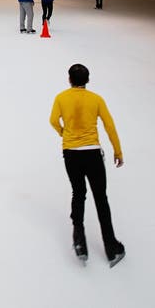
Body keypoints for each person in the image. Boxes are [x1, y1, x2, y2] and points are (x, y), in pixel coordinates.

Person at [49, 63, 125, 267]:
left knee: (78, 193)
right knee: (101, 198)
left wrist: (63, 133)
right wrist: (117, 150)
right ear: (88, 80)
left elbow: (53, 120)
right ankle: (111, 247)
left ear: (69, 79)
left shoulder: (61, 98)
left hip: (71, 153)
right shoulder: (96, 99)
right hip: (92, 153)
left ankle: (79, 241)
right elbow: (109, 126)